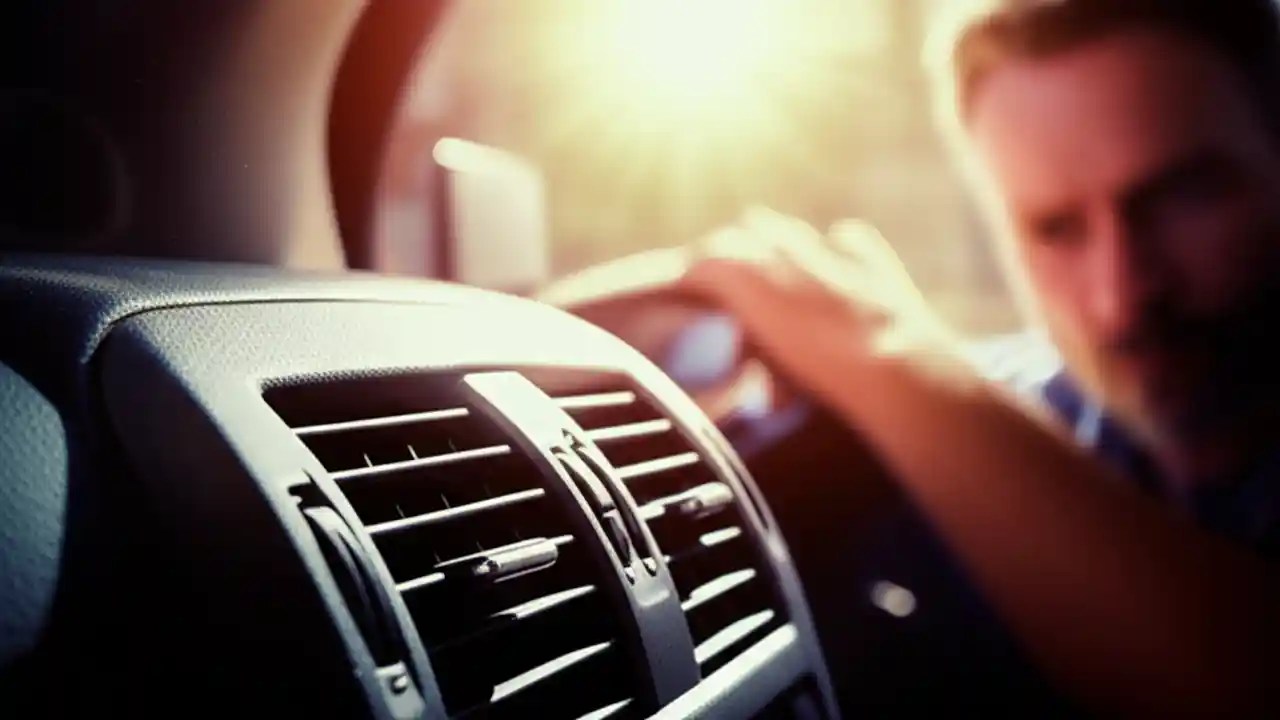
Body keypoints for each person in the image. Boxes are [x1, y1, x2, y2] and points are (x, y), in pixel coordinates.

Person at [555, 0, 1280, 715]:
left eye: (1185, 197)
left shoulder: (935, 397)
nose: (1121, 298)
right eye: (1055, 229)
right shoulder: (1026, 403)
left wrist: (884, 350)